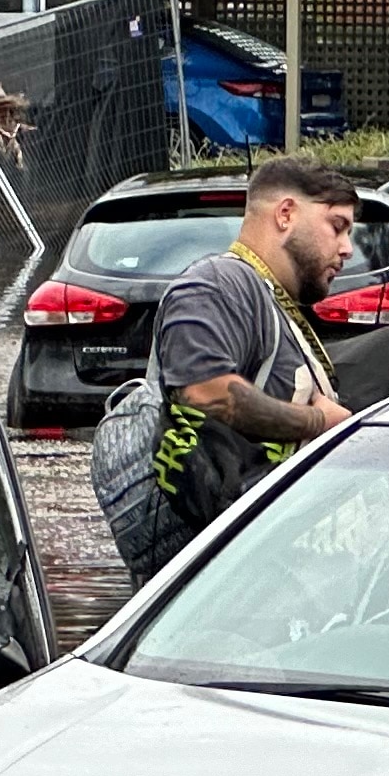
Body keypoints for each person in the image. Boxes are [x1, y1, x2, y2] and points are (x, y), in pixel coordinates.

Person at [146, 154, 354, 550]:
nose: (347, 248)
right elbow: (203, 392)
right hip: (222, 573)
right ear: (286, 214)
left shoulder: (268, 297)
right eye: (337, 226)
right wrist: (316, 421)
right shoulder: (219, 283)